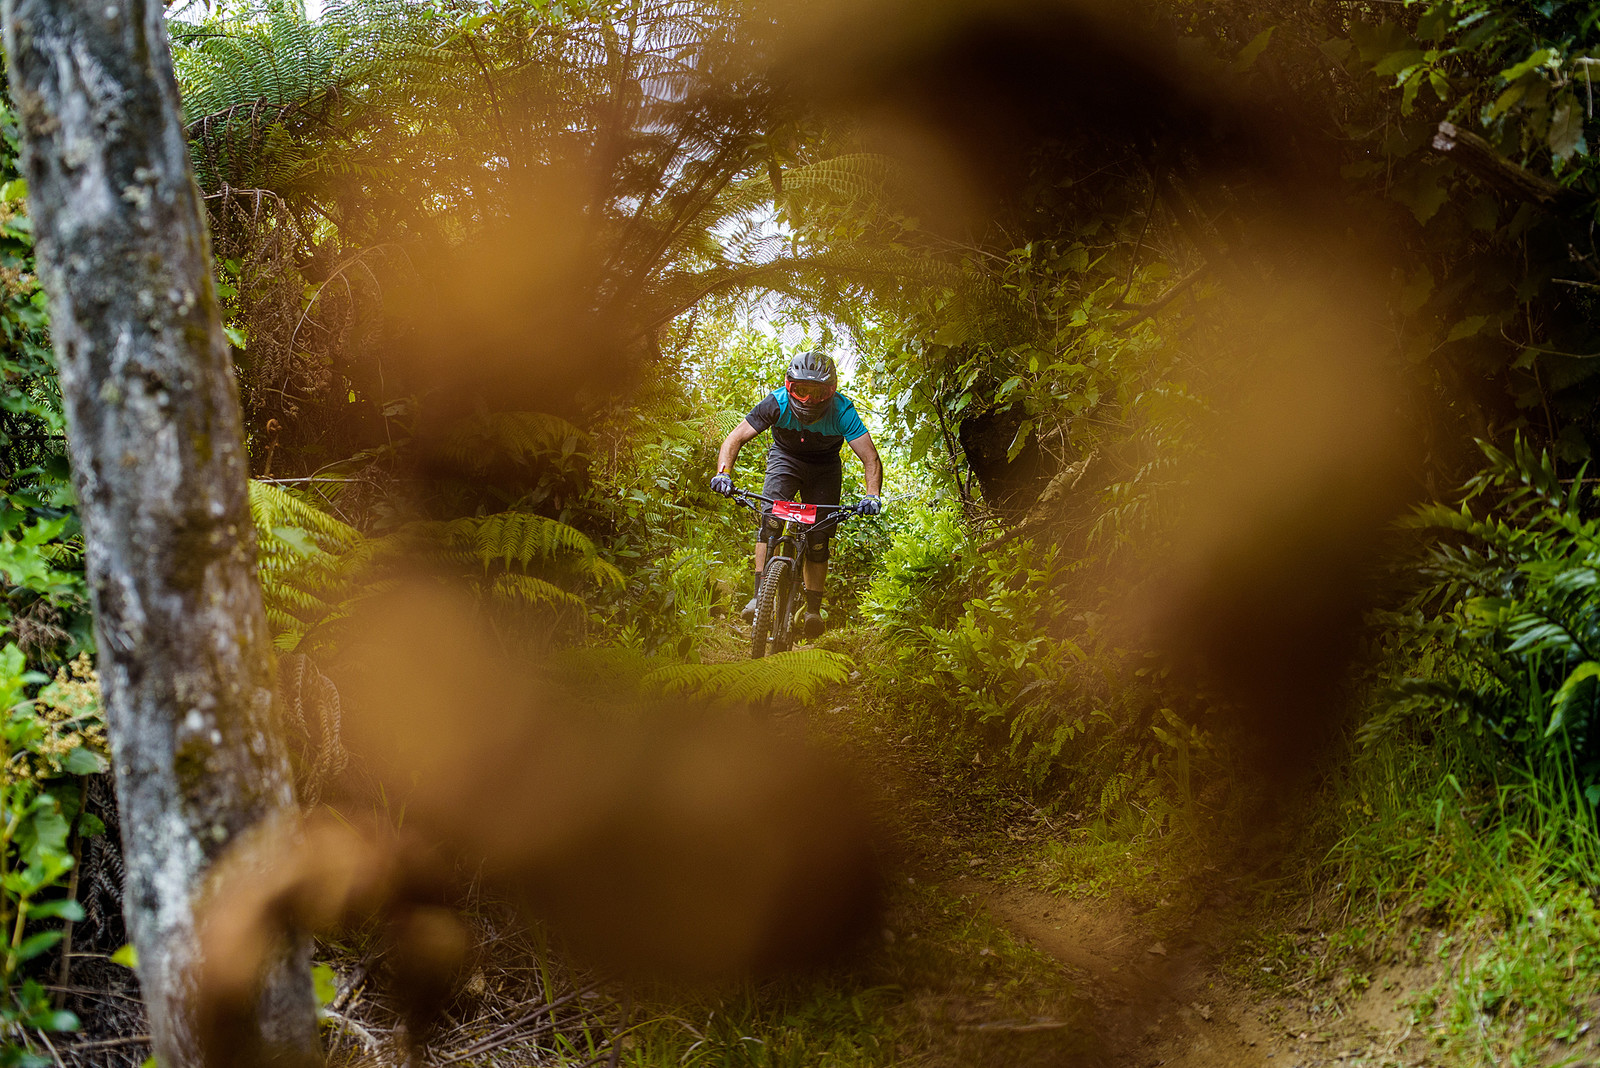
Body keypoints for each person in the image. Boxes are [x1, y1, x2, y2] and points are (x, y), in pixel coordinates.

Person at [710, 351, 884, 638]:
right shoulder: (776, 403)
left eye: (818, 393)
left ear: (831, 392)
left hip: (824, 468)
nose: (809, 400)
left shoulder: (842, 411)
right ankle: (758, 596)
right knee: (770, 524)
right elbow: (735, 438)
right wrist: (723, 473)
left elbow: (870, 458)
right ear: (790, 386)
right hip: (785, 459)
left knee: (818, 538)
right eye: (801, 391)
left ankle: (813, 610)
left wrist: (872, 495)